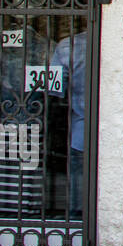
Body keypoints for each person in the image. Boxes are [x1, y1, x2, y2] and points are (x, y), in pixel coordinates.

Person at [49, 29, 88, 220]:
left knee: (77, 190)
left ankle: (76, 224)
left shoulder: (67, 46)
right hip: (112, 135)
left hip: (79, 133)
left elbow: (55, 90)